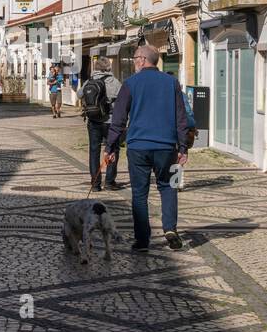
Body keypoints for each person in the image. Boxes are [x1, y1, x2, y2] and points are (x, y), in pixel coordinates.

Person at [105, 45, 189, 252]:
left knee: (140, 194)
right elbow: (181, 117)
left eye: (134, 59)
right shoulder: (172, 83)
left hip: (138, 147)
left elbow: (119, 119)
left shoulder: (131, 83)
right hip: (166, 147)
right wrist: (183, 147)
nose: (134, 62)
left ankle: (142, 240)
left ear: (143, 60)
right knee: (168, 188)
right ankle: (170, 229)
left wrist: (110, 147)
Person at [80, 57, 123, 191]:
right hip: (110, 121)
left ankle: (95, 183)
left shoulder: (89, 81)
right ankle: (109, 181)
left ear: (96, 68)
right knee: (113, 149)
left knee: (94, 151)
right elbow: (123, 99)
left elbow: (79, 94)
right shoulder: (114, 82)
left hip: (93, 121)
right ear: (108, 68)